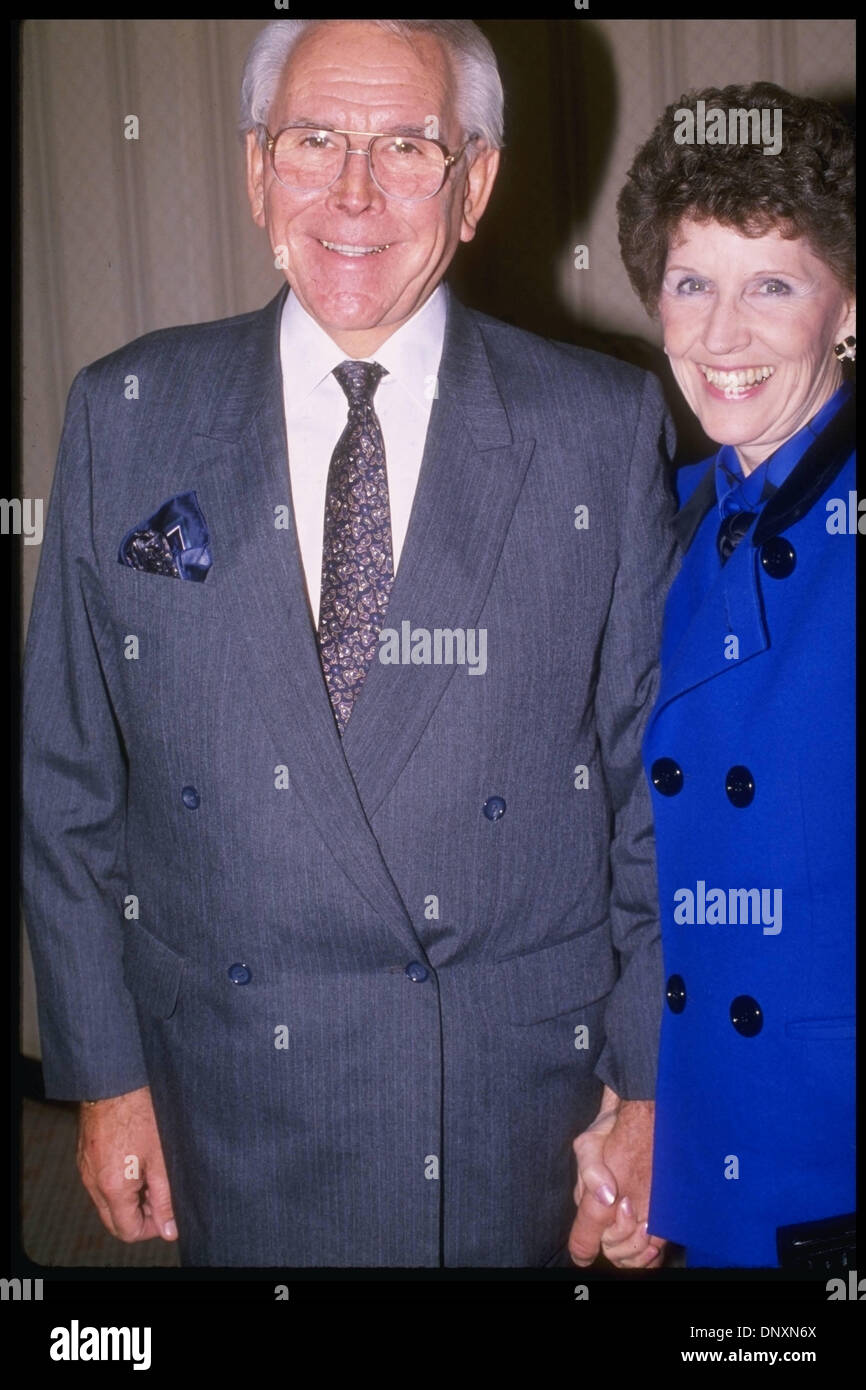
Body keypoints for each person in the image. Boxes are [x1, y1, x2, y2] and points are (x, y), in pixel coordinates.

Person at [22, 17, 678, 1268]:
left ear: (474, 181)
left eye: (407, 145)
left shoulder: (599, 425)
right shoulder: (126, 414)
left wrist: (650, 1090)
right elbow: (65, 783)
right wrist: (104, 1073)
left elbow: (655, 792)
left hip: (511, 1111)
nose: (354, 191)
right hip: (226, 1093)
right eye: (314, 139)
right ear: (255, 166)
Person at [571, 81, 855, 1269]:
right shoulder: (672, 518)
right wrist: (630, 1119)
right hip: (698, 1126)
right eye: (691, 283)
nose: (721, 335)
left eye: (771, 284)